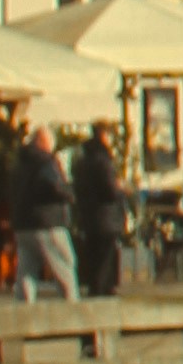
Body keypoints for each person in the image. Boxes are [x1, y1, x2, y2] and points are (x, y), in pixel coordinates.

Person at [12, 123, 78, 301]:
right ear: (44, 142)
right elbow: (52, 185)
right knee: (64, 264)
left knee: (27, 270)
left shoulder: (21, 162)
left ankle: (23, 313)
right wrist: (68, 192)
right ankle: (74, 311)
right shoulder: (45, 161)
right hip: (47, 222)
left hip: (23, 223)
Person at [74, 121, 129, 301]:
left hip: (88, 215)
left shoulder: (83, 160)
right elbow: (109, 191)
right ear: (104, 136)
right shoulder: (103, 160)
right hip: (105, 216)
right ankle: (102, 289)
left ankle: (94, 287)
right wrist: (120, 189)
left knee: (93, 253)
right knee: (105, 256)